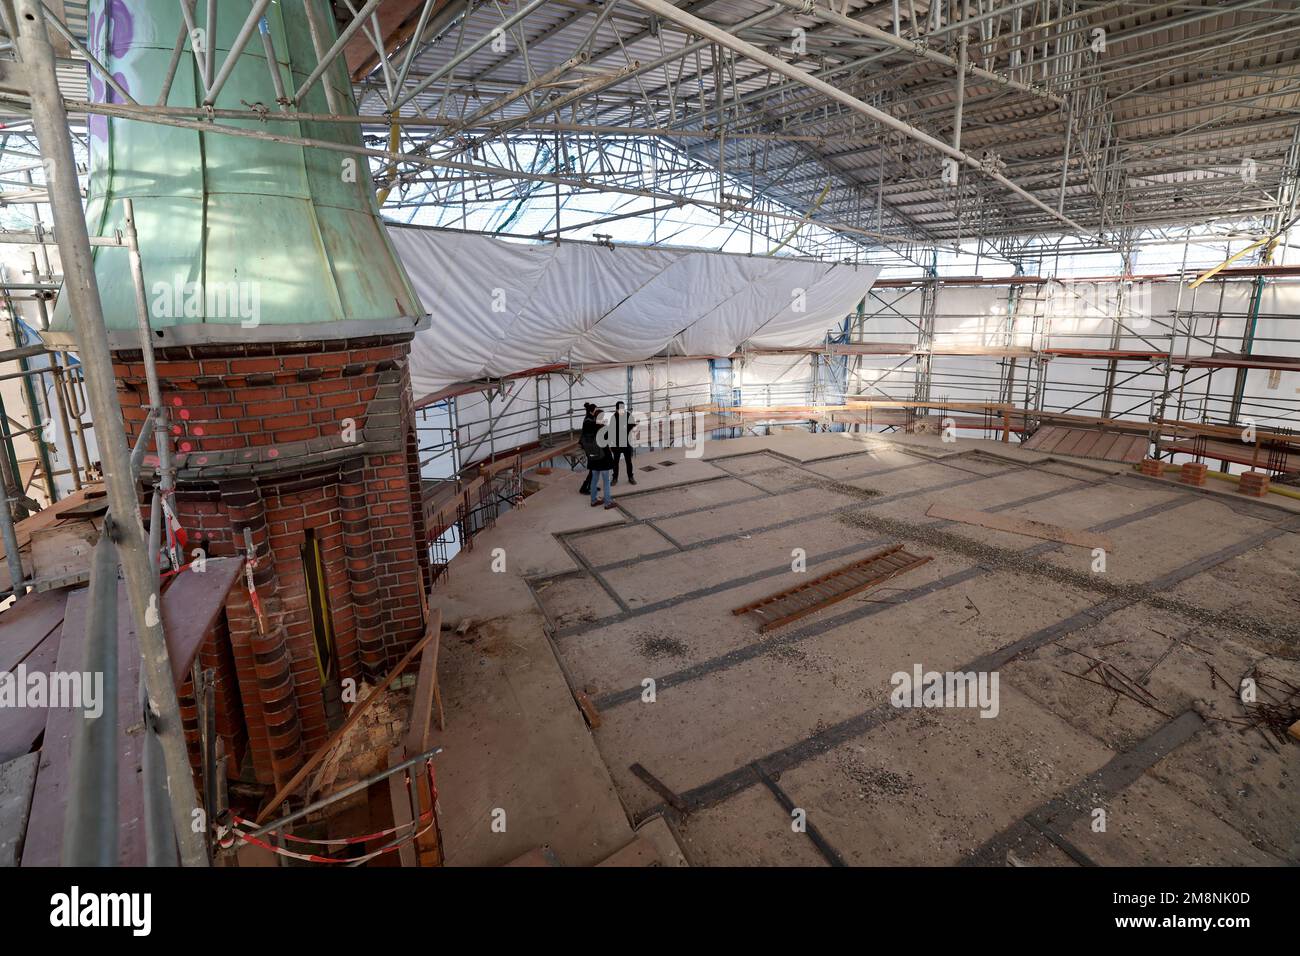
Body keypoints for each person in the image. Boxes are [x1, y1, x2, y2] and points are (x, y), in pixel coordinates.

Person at [585, 408, 616, 509]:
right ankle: (608, 503)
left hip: (593, 459)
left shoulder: (589, 427)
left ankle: (593, 500)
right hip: (604, 459)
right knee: (606, 481)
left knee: (594, 480)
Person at [610, 400, 636, 486]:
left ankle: (630, 477)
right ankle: (615, 478)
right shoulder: (614, 417)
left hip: (626, 443)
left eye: (623, 408)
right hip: (616, 444)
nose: (622, 410)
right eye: (620, 409)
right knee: (615, 462)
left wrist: (626, 429)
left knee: (628, 461)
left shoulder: (627, 415)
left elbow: (632, 424)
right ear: (617, 409)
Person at [578, 403, 597, 495]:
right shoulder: (589, 421)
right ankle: (584, 488)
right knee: (593, 468)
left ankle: (592, 485)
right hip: (589, 447)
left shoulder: (590, 418)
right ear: (591, 411)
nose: (596, 412)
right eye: (595, 410)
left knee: (595, 468)